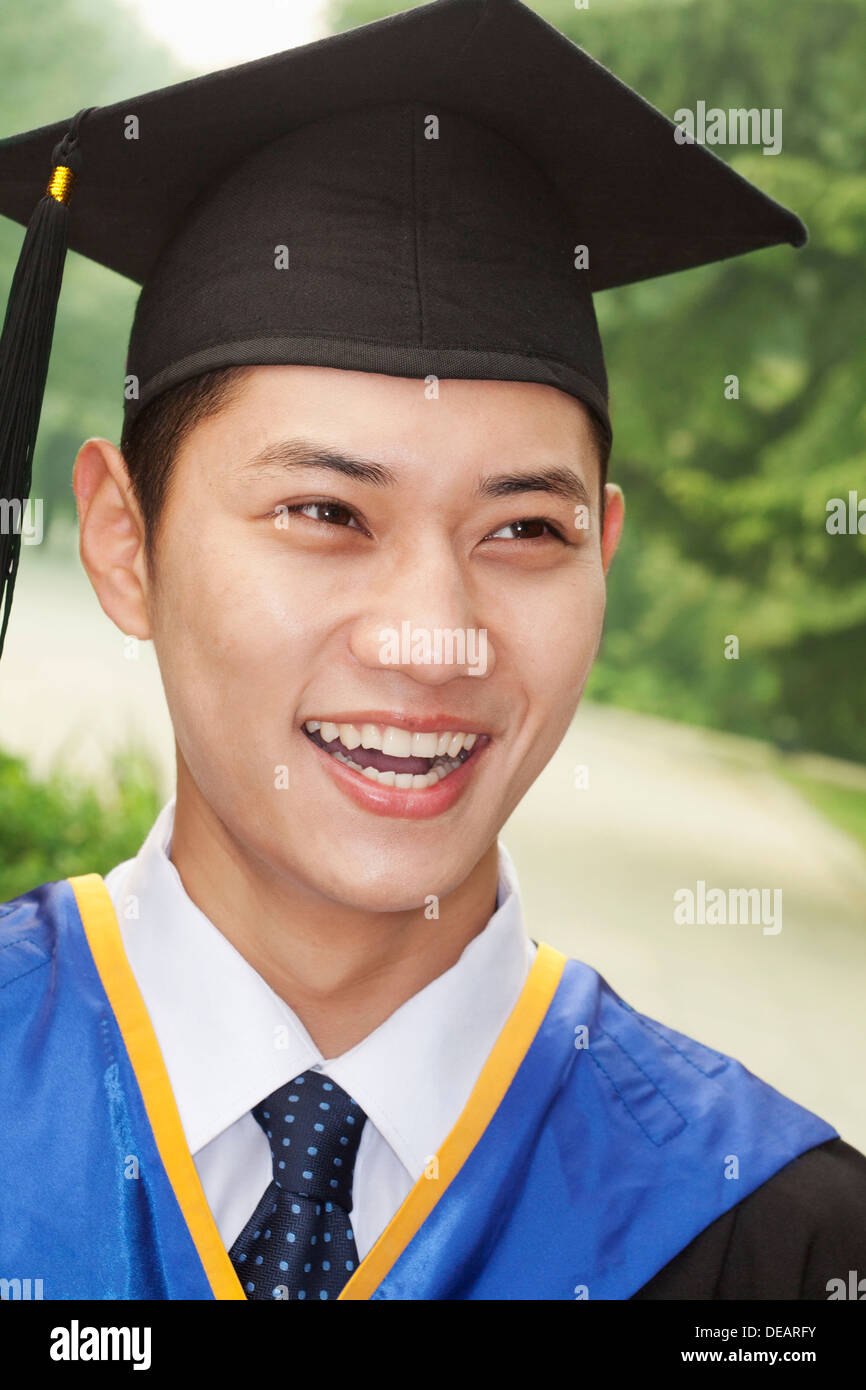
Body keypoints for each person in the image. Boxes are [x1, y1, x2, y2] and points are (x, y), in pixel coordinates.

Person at [0, 0, 863, 1302]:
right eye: (325, 513)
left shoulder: (777, 1246)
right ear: (126, 542)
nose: (433, 636)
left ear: (603, 553)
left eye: (522, 527)